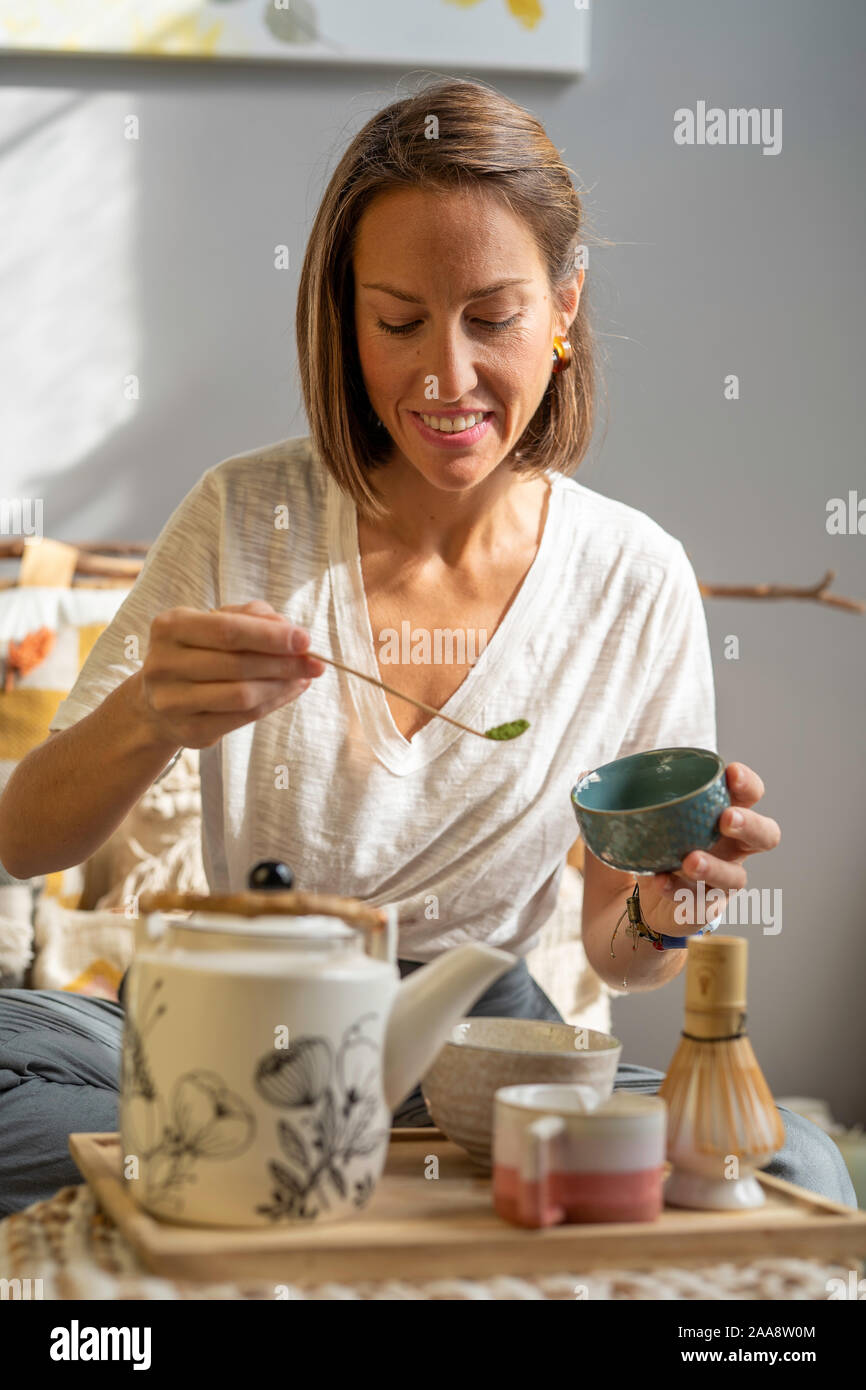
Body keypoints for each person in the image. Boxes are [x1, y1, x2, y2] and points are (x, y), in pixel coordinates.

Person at [0, 78, 854, 1216]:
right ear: (343, 320)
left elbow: (616, 946)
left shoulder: (629, 576)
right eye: (397, 321)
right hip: (249, 1017)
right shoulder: (244, 517)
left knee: (795, 1167)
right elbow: (21, 839)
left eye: (490, 318)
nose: (443, 377)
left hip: (482, 1046)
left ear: (562, 305)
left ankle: (268, 1183)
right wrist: (147, 717)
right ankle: (339, 1181)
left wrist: (671, 903)